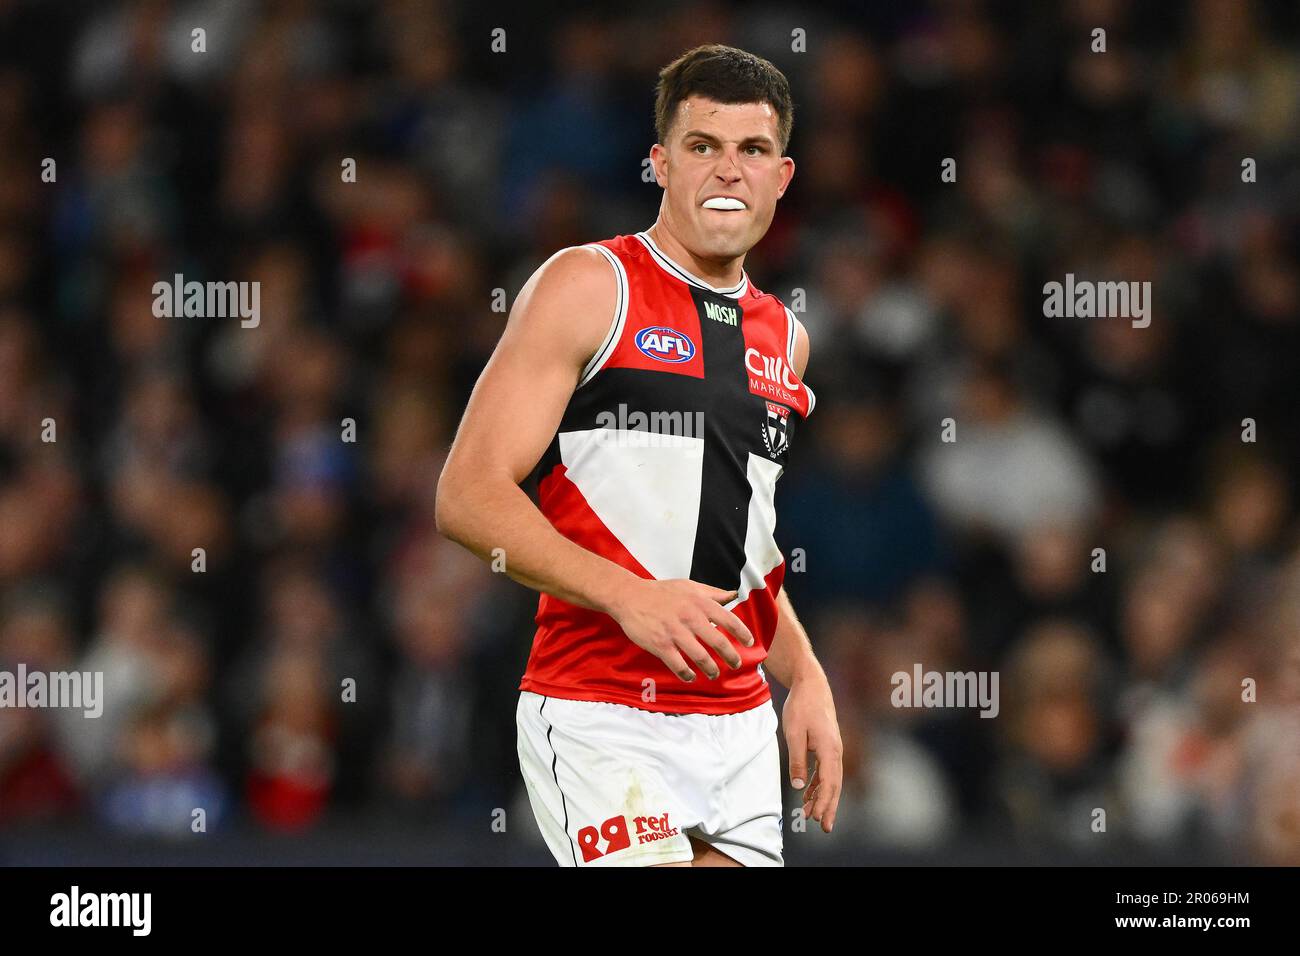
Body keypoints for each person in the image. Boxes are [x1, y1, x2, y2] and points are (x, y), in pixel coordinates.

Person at [436, 44, 841, 867]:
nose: (727, 172)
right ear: (660, 164)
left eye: (752, 151)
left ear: (783, 176)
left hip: (735, 725)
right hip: (599, 711)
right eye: (702, 147)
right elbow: (468, 495)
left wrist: (803, 674)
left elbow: (744, 544)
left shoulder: (786, 340)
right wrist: (630, 597)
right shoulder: (589, 285)